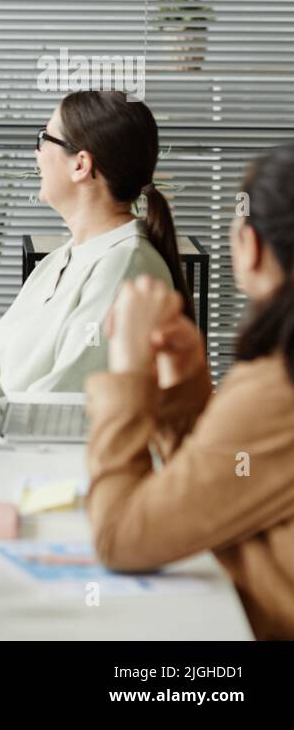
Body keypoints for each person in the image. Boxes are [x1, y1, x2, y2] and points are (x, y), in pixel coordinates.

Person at [86, 142, 294, 640]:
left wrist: (129, 370)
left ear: (252, 245)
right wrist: (185, 387)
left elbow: (119, 537)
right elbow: (221, 489)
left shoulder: (277, 389)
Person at [0, 89, 193, 392]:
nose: (37, 153)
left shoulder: (125, 267)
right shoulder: (58, 261)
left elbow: (63, 402)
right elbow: (3, 382)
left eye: (45, 139)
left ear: (80, 165)